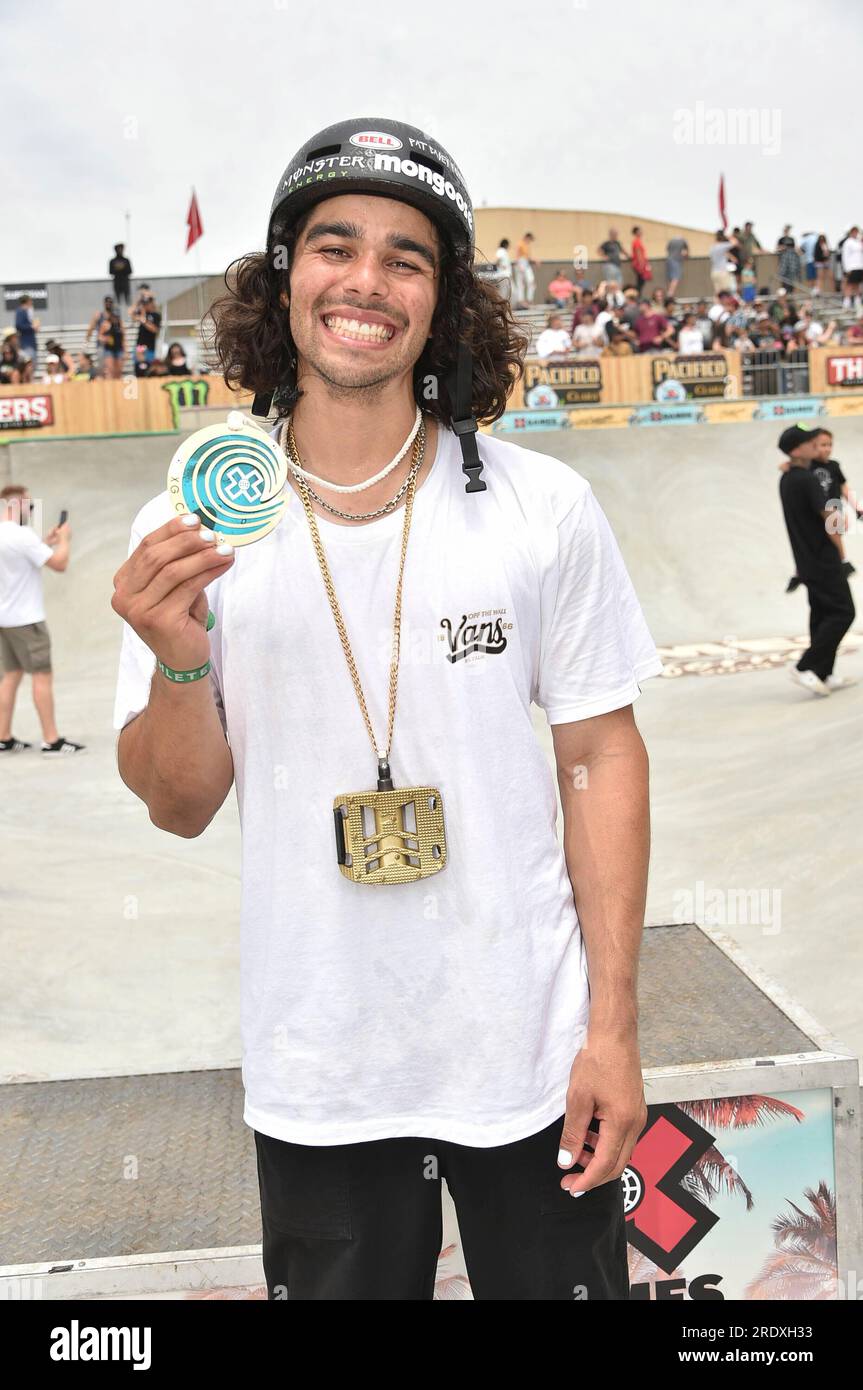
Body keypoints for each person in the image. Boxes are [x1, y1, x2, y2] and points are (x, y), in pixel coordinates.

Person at [110, 113, 663, 1303]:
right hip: (322, 1069)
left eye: (405, 257)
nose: (365, 280)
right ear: (283, 276)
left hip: (532, 1056)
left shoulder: (539, 507)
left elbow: (601, 758)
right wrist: (180, 658)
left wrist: (610, 1025)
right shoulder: (195, 527)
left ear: (443, 299)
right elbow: (177, 806)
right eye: (332, 245)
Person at [0, 487, 86, 754]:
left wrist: (45, 542)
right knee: (41, 676)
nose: (31, 511)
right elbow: (59, 564)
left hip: (5, 619)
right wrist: (64, 540)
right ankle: (52, 739)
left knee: (10, 676)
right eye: (30, 506)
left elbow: (20, 558)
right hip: (28, 620)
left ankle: (3, 736)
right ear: (17, 504)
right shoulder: (22, 535)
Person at [777, 426, 856, 696]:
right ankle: (805, 666)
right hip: (824, 559)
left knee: (822, 614)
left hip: (806, 560)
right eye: (810, 442)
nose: (815, 445)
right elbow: (829, 518)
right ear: (798, 449)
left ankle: (824, 672)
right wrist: (842, 553)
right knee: (844, 612)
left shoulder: (788, 478)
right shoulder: (806, 479)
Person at [785, 429, 859, 591]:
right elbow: (792, 466)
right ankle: (800, 571)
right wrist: (786, 466)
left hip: (834, 505)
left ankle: (843, 561)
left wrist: (857, 508)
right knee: (813, 540)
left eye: (830, 445)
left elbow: (844, 488)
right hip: (816, 508)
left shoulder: (834, 465)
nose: (827, 449)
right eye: (822, 445)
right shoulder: (809, 465)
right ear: (813, 447)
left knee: (834, 535)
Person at [130, 287, 162, 371]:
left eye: (148, 303)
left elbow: (155, 329)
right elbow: (131, 313)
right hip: (140, 346)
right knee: (139, 367)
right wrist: (139, 300)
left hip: (150, 347)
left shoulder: (156, 315)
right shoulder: (142, 313)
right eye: (145, 303)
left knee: (149, 368)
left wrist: (144, 321)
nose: (146, 305)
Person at [14, 295, 40, 379]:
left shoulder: (26, 311)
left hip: (29, 344)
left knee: (31, 367)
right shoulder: (21, 311)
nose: (31, 302)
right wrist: (32, 327)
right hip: (26, 344)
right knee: (28, 367)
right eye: (30, 300)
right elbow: (18, 325)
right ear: (27, 301)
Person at [840, 226, 863, 313]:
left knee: (857, 286)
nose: (855, 233)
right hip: (851, 267)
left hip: (859, 267)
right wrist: (846, 268)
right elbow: (845, 256)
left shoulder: (858, 242)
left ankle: (858, 304)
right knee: (849, 286)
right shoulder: (848, 242)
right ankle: (846, 304)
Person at [98, 310, 126, 379]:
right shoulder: (106, 324)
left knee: (119, 370)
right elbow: (99, 336)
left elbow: (123, 339)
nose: (115, 319)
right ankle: (110, 386)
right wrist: (105, 339)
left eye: (116, 317)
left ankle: (118, 385)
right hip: (109, 350)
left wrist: (125, 351)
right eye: (113, 317)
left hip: (119, 349)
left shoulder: (120, 324)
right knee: (110, 369)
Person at [512, 231, 536, 308]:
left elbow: (527, 257)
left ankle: (529, 300)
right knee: (520, 283)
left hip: (526, 264)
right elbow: (517, 256)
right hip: (521, 263)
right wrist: (519, 265)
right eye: (530, 240)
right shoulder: (520, 244)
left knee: (531, 282)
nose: (530, 242)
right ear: (527, 237)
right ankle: (521, 300)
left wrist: (535, 260)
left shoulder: (526, 245)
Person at [709, 230, 735, 294]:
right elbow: (735, 242)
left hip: (714, 272)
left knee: (718, 293)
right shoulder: (722, 246)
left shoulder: (712, 247)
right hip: (722, 272)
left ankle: (717, 304)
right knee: (726, 292)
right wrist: (728, 236)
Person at [776, 226, 801, 292]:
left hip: (792, 261)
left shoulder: (792, 239)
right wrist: (783, 248)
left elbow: (795, 248)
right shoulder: (781, 239)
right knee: (783, 278)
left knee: (791, 279)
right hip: (784, 260)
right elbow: (777, 249)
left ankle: (791, 293)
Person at [630, 227, 651, 294]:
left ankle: (637, 294)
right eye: (639, 231)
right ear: (636, 232)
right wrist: (642, 265)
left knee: (640, 282)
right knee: (640, 282)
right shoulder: (636, 241)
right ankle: (637, 295)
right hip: (639, 265)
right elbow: (638, 253)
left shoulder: (638, 241)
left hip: (639, 264)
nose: (641, 232)